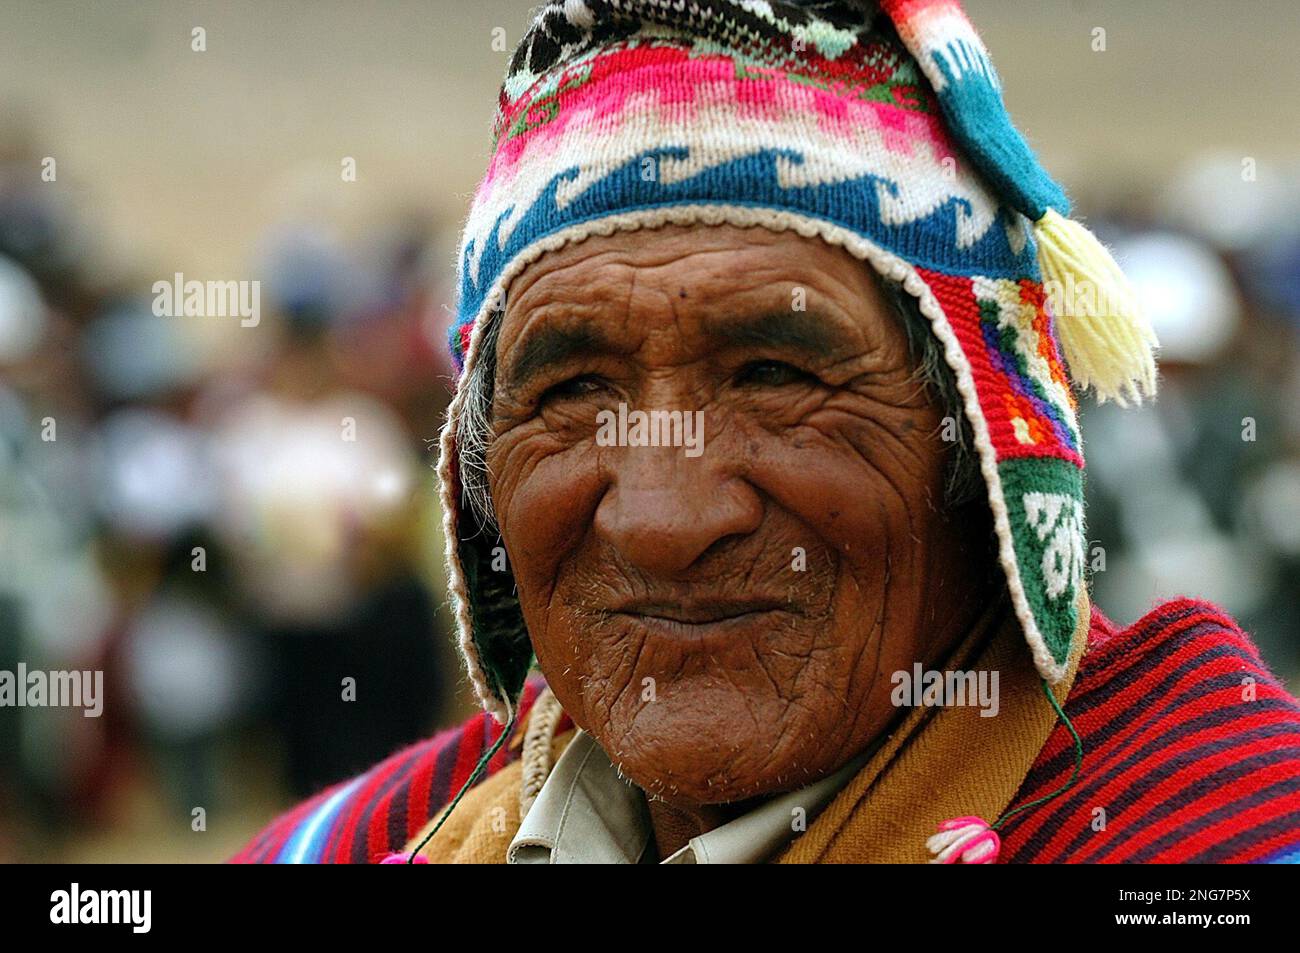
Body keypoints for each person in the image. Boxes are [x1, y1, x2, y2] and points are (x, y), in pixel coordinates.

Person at [234, 0, 1300, 864]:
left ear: (981, 436)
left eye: (776, 374)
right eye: (571, 390)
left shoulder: (1210, 831)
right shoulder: (377, 838)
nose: (662, 519)